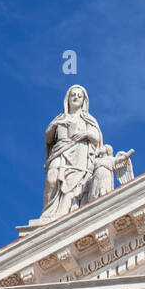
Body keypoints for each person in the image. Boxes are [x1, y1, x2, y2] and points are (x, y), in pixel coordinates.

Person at [43, 84, 103, 219]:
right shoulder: (60, 118)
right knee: (52, 178)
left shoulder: (88, 119)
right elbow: (48, 138)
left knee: (73, 188)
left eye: (79, 96)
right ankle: (48, 213)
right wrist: (54, 127)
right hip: (60, 152)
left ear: (83, 101)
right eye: (73, 95)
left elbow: (97, 138)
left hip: (79, 157)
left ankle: (67, 210)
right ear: (67, 99)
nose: (75, 97)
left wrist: (85, 134)